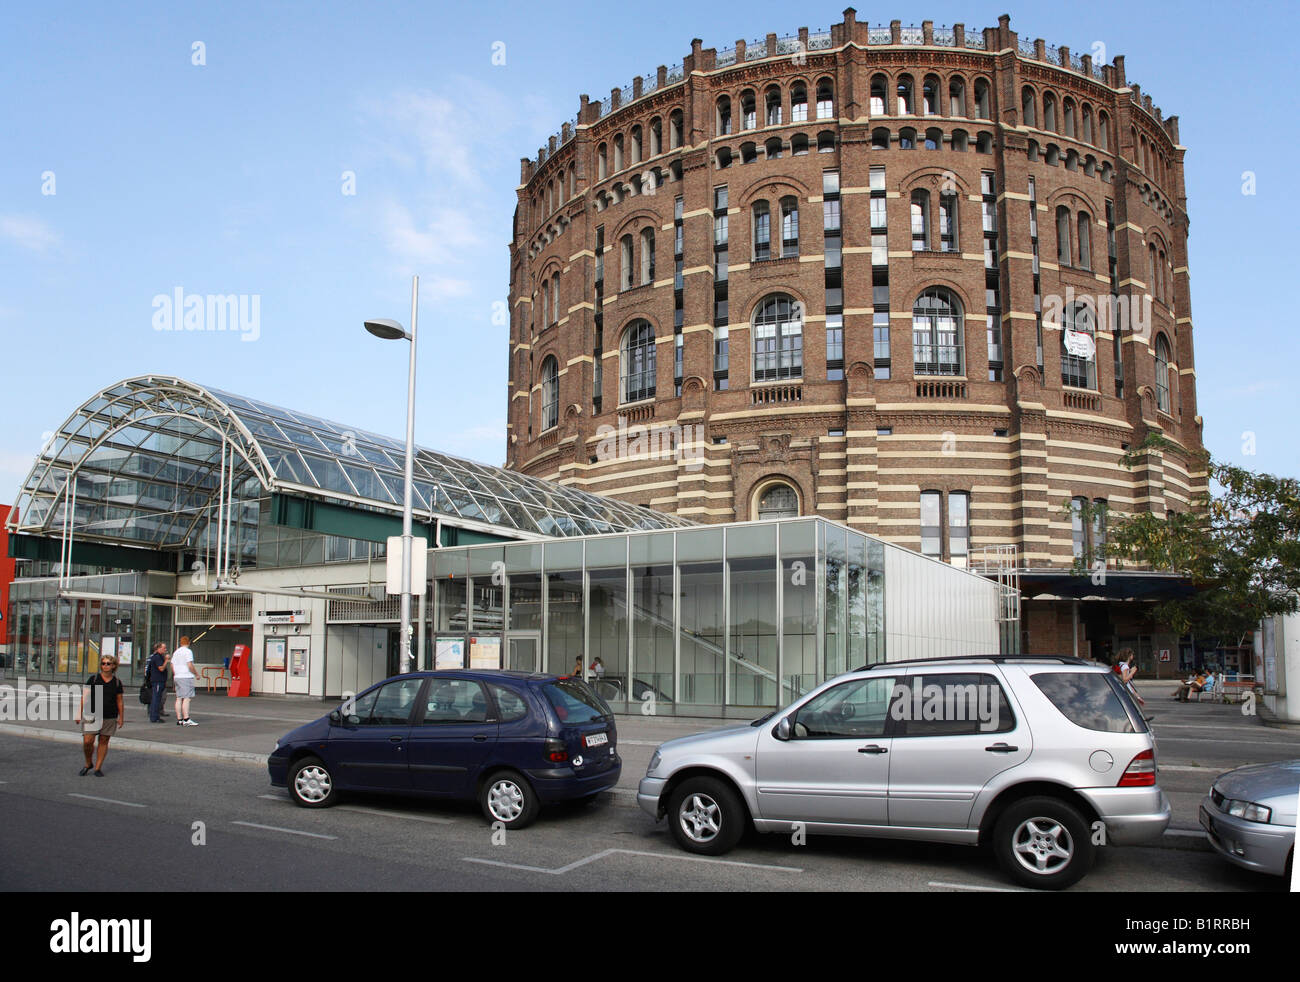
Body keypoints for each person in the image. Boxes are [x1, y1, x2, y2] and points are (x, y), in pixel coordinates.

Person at [76, 652, 124, 776]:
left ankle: (97, 768)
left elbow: (119, 701)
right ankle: (88, 763)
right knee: (88, 741)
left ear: (114, 666)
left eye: (108, 663)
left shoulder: (117, 682)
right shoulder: (94, 679)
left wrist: (121, 717)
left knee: (103, 740)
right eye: (103, 663)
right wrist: (78, 713)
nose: (105, 666)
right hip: (92, 714)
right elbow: (84, 697)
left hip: (109, 715)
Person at [171, 636, 199, 726]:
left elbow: (172, 664)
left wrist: (176, 673)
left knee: (179, 698)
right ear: (188, 642)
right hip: (186, 676)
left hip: (177, 676)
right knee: (187, 698)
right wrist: (196, 674)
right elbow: (190, 664)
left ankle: (179, 719)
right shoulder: (188, 652)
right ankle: (186, 719)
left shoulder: (176, 652)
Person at [146, 642, 170, 723]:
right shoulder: (157, 657)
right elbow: (161, 668)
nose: (165, 650)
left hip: (159, 680)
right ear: (158, 648)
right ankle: (154, 717)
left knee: (157, 698)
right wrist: (166, 660)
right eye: (164, 648)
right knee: (156, 698)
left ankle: (155, 715)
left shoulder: (158, 657)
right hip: (157, 681)